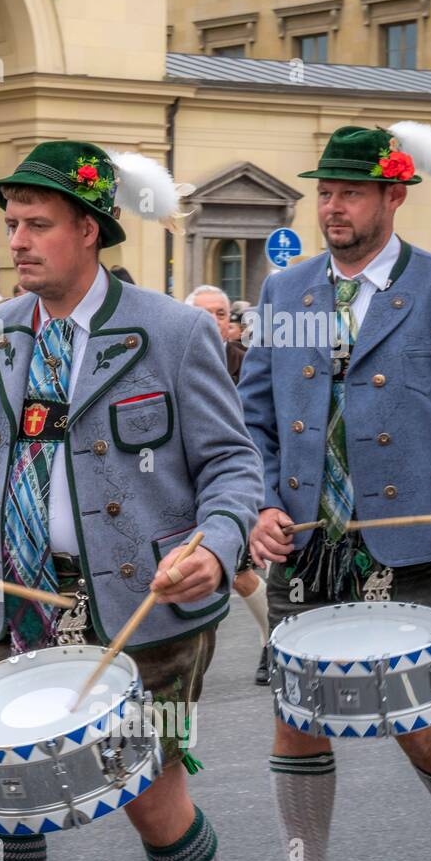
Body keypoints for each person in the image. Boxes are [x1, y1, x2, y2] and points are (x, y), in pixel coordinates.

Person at [0, 139, 262, 861]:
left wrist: (216, 548)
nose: (15, 242)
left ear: (89, 230)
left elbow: (232, 462)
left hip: (146, 608)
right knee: (3, 798)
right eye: (11, 224)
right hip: (17, 608)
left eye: (37, 224)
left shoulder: (176, 331)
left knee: (153, 798)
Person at [234, 122, 431, 861]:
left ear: (394, 196)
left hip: (411, 541)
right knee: (297, 714)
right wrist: (259, 502)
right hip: (308, 541)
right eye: (324, 191)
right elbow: (251, 419)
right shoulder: (285, 293)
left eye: (349, 192)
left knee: (416, 718)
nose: (332, 207)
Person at [186, 284, 271, 684]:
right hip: (183, 488)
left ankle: (273, 638)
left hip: (231, 488)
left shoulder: (244, 362)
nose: (212, 321)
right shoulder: (174, 358)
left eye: (220, 314)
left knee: (238, 573)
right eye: (203, 313)